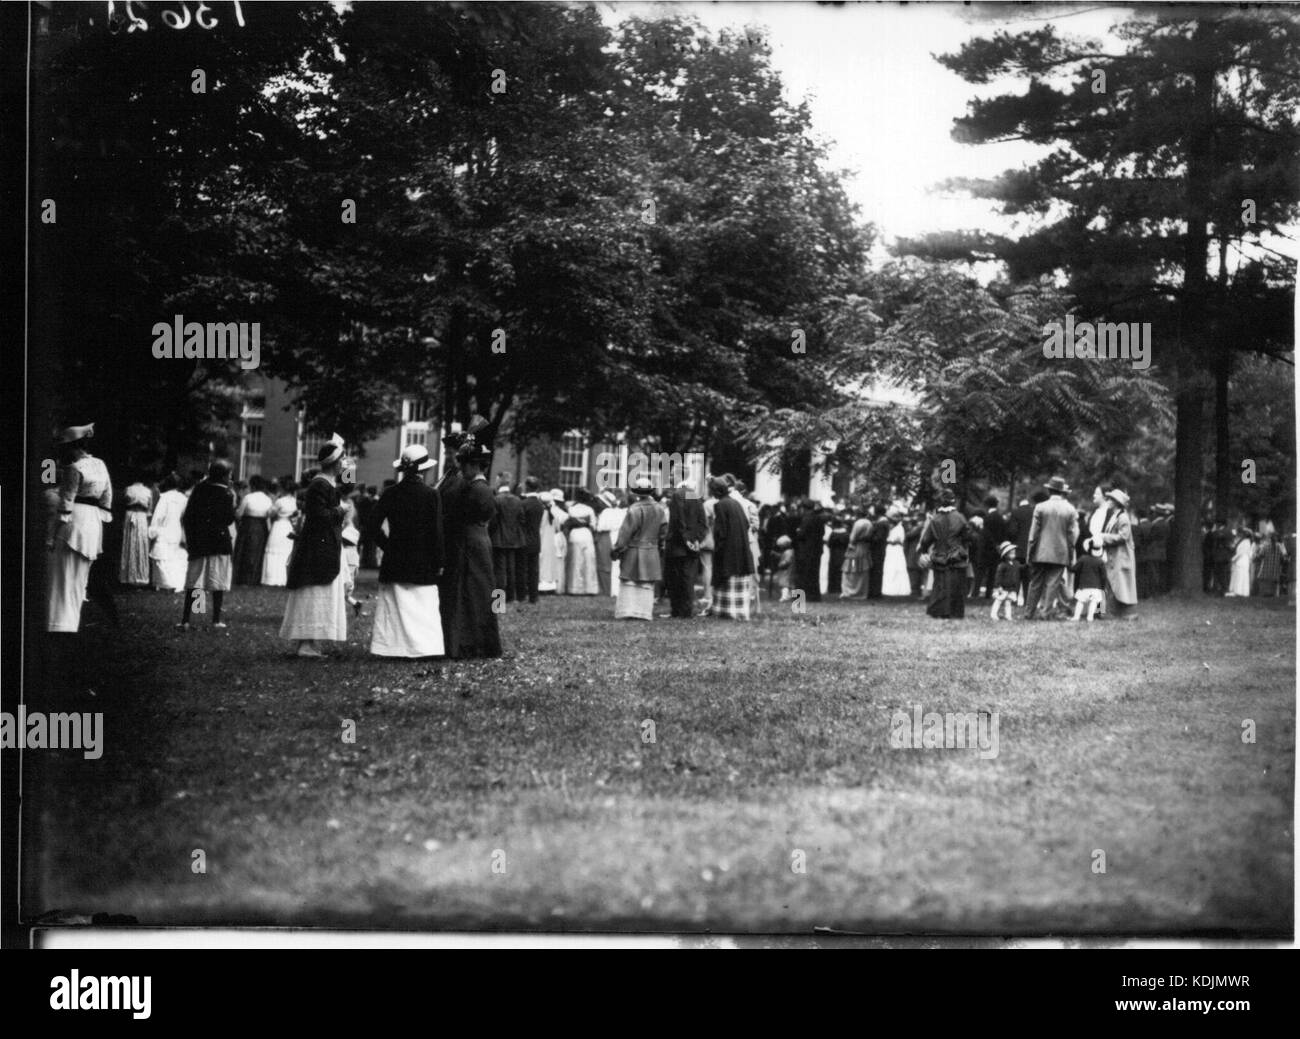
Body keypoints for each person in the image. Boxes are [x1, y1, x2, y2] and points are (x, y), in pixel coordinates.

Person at [367, 443, 445, 658]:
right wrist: (439, 560)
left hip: (396, 558)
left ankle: (392, 646)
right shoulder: (431, 495)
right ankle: (424, 647)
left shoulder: (391, 493)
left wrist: (387, 545)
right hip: (423, 559)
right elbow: (436, 532)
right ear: (425, 470)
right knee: (422, 604)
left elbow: (372, 526)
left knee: (395, 604)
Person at [280, 435, 349, 657]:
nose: (345, 464)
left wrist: (351, 467)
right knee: (313, 591)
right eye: (343, 461)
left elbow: (349, 485)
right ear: (336, 463)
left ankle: (310, 641)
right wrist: (340, 511)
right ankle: (305, 643)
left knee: (319, 591)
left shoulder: (328, 483)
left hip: (325, 544)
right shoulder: (319, 485)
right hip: (318, 547)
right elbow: (319, 515)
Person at [47, 424, 114, 633]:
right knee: (79, 577)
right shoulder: (101, 465)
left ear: (72, 447)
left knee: (62, 574)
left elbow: (66, 504)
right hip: (93, 524)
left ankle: (59, 622)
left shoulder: (74, 468)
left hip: (73, 521)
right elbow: (107, 498)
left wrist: (51, 535)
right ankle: (70, 621)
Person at [444, 441, 502, 659]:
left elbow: (457, 517)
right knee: (479, 590)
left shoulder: (475, 489)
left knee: (471, 591)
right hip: (478, 540)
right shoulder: (482, 488)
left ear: (474, 466)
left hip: (469, 542)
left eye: (465, 465)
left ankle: (471, 643)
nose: (462, 469)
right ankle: (478, 642)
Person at [178, 459, 237, 629]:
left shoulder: (199, 489)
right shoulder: (226, 493)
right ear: (224, 476)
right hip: (219, 542)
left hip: (200, 541)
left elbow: (188, 516)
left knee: (197, 580)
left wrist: (191, 538)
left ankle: (190, 618)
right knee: (217, 580)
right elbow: (228, 519)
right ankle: (215, 619)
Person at [1022, 476, 1079, 621]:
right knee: (1052, 584)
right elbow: (1072, 537)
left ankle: (1029, 613)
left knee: (1035, 583)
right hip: (1060, 553)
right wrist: (1071, 555)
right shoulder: (1070, 509)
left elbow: (1033, 534)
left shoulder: (1040, 507)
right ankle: (1045, 613)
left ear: (1049, 490)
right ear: (1062, 491)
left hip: (1040, 551)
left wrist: (1030, 553)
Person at [610, 476, 665, 620]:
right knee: (646, 582)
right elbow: (664, 532)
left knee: (630, 580)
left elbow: (625, 532)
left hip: (634, 549)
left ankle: (629, 611)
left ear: (636, 493)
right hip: (652, 549)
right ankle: (644, 612)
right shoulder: (660, 509)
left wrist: (617, 549)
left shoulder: (634, 509)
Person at [918, 491, 970, 618]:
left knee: (940, 585)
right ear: (954, 501)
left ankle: (938, 611)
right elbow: (967, 536)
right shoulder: (960, 517)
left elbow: (925, 540)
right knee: (955, 585)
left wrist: (924, 551)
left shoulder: (935, 519)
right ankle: (954, 612)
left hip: (939, 555)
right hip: (956, 555)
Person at [1088, 487, 1138, 619]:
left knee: (1118, 585)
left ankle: (1116, 613)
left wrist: (1103, 537)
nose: (1108, 500)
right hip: (1113, 556)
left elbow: (1123, 537)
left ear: (1116, 502)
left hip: (1121, 557)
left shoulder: (1123, 518)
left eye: (1111, 499)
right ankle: (1102, 612)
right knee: (1109, 584)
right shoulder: (1115, 516)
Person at [709, 476, 754, 620]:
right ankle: (739, 611)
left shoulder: (720, 505)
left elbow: (721, 531)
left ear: (716, 491)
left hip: (728, 548)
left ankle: (725, 611)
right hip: (741, 547)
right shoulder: (736, 503)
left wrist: (718, 548)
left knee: (725, 576)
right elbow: (747, 524)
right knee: (738, 575)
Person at [664, 479, 706, 618]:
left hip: (677, 544)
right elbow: (702, 523)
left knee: (674, 579)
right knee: (688, 579)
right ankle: (686, 610)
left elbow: (678, 519)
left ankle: (677, 610)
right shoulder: (695, 496)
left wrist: (685, 539)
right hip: (692, 544)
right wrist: (696, 540)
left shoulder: (678, 495)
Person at [149, 471, 189, 592]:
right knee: (174, 556)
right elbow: (185, 516)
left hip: (164, 529)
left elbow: (158, 516)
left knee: (162, 556)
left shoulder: (164, 497)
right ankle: (174, 582)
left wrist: (153, 529)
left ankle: (165, 583)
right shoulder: (183, 499)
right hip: (176, 529)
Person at [232, 474, 273, 586]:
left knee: (244, 552)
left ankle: (242, 579)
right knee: (257, 552)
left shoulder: (248, 497)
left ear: (253, 485)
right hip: (261, 526)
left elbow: (239, 513)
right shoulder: (267, 499)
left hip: (248, 525)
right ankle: (255, 579)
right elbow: (269, 515)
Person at [490, 481, 525, 603]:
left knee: (499, 571)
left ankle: (498, 602)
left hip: (499, 539)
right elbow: (522, 519)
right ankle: (511, 597)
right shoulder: (517, 500)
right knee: (511, 569)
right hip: (513, 540)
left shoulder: (496, 500)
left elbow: (493, 521)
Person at [261, 478, 298, 587]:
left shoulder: (280, 501)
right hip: (288, 526)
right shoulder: (294, 501)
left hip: (278, 526)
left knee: (274, 550)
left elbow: (270, 513)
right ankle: (284, 578)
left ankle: (271, 578)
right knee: (285, 551)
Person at [118, 474, 152, 587]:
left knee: (130, 543)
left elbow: (123, 505)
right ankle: (139, 575)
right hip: (141, 517)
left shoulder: (128, 489)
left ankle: (129, 575)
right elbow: (149, 509)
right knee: (140, 544)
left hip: (130, 515)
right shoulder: (147, 491)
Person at [564, 491, 599, 594]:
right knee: (588, 561)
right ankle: (589, 588)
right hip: (586, 534)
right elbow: (593, 525)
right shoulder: (589, 510)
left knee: (575, 561)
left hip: (574, 534)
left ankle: (574, 588)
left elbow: (567, 524)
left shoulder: (571, 509)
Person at [977, 495, 1009, 598]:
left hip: (986, 549)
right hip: (997, 550)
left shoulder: (986, 518)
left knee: (980, 572)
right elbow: (1004, 534)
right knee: (992, 573)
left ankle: (975, 593)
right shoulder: (1001, 518)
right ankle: (988, 594)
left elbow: (986, 535)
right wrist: (999, 545)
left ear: (987, 505)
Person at [793, 499, 824, 603]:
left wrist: (798, 531)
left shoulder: (806, 519)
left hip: (805, 550)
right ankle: (814, 596)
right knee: (814, 574)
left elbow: (801, 534)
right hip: (816, 550)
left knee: (801, 574)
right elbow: (822, 532)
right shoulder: (818, 518)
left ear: (804, 508)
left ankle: (799, 597)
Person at [520, 477, 545, 604]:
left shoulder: (523, 504)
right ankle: (534, 596)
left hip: (524, 539)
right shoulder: (540, 505)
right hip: (535, 539)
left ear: (527, 487)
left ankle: (522, 595)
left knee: (523, 569)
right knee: (534, 570)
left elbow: (520, 522)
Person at [538, 489, 568, 595]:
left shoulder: (543, 513)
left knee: (542, 561)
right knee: (551, 562)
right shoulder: (555, 513)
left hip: (543, 538)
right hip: (552, 540)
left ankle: (542, 585)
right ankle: (550, 585)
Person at [1071, 543, 1108, 622]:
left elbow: (1074, 569)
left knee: (1080, 602)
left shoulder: (1083, 559)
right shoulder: (1100, 561)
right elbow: (1104, 576)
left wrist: (1069, 565)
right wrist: (1103, 587)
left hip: (1083, 587)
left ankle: (1076, 616)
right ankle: (1090, 617)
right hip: (1095, 588)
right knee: (1093, 602)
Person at [840, 508, 872, 599]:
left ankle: (850, 591)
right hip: (865, 547)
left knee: (851, 569)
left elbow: (852, 537)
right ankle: (862, 591)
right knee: (863, 569)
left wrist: (851, 543)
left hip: (856, 547)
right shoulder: (869, 523)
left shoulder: (858, 523)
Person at [594, 489, 620, 597]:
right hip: (616, 538)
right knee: (615, 565)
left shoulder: (606, 512)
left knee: (604, 564)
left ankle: (605, 589)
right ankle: (614, 589)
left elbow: (600, 527)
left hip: (606, 538)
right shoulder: (619, 511)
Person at [881, 506, 911, 596]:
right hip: (890, 549)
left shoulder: (900, 528)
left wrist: (888, 540)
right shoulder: (892, 528)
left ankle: (898, 589)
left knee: (897, 568)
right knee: (890, 568)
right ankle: (889, 588)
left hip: (896, 549)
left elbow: (898, 540)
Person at [1253, 522, 1286, 597]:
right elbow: (1284, 557)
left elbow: (1259, 556)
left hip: (1266, 569)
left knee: (1265, 584)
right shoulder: (1280, 547)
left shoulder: (1266, 546)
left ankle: (1265, 594)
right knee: (1275, 584)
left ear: (1270, 538)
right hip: (1275, 569)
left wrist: (1255, 555)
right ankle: (1275, 595)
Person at [989, 541, 1020, 621]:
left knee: (1008, 602)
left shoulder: (1015, 564)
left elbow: (1020, 568)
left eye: (1014, 553)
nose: (1013, 555)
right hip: (1002, 587)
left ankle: (1008, 615)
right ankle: (993, 614)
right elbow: (998, 577)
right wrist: (998, 586)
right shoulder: (1002, 566)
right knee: (998, 601)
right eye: (1011, 553)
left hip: (1010, 588)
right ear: (1006, 555)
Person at [866, 505, 889, 599]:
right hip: (879, 549)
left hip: (877, 549)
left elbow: (878, 538)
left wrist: (868, 538)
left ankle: (875, 592)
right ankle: (875, 591)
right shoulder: (883, 522)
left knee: (876, 570)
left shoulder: (881, 523)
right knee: (876, 570)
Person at [826, 510, 850, 596]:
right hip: (843, 553)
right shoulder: (846, 533)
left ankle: (832, 588)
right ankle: (841, 587)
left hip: (834, 553)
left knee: (833, 570)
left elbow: (829, 544)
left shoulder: (833, 533)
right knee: (841, 570)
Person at [1226, 524, 1255, 597]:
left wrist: (1233, 559)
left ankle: (1239, 591)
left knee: (1241, 575)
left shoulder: (1246, 542)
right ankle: (1239, 591)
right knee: (1239, 575)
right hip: (1242, 560)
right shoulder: (1244, 542)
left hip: (1242, 560)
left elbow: (1240, 553)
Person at [1209, 518, 1234, 595]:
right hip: (1225, 556)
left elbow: (1213, 536)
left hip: (1220, 555)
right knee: (1223, 573)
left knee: (1219, 573)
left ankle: (1220, 589)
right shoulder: (1229, 532)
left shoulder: (1221, 532)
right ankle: (1222, 588)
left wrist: (1213, 530)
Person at [774, 536, 795, 600]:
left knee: (784, 584)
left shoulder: (788, 552)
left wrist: (780, 564)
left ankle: (784, 596)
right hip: (786, 571)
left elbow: (786, 561)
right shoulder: (789, 551)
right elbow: (782, 556)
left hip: (786, 571)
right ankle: (789, 596)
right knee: (787, 584)